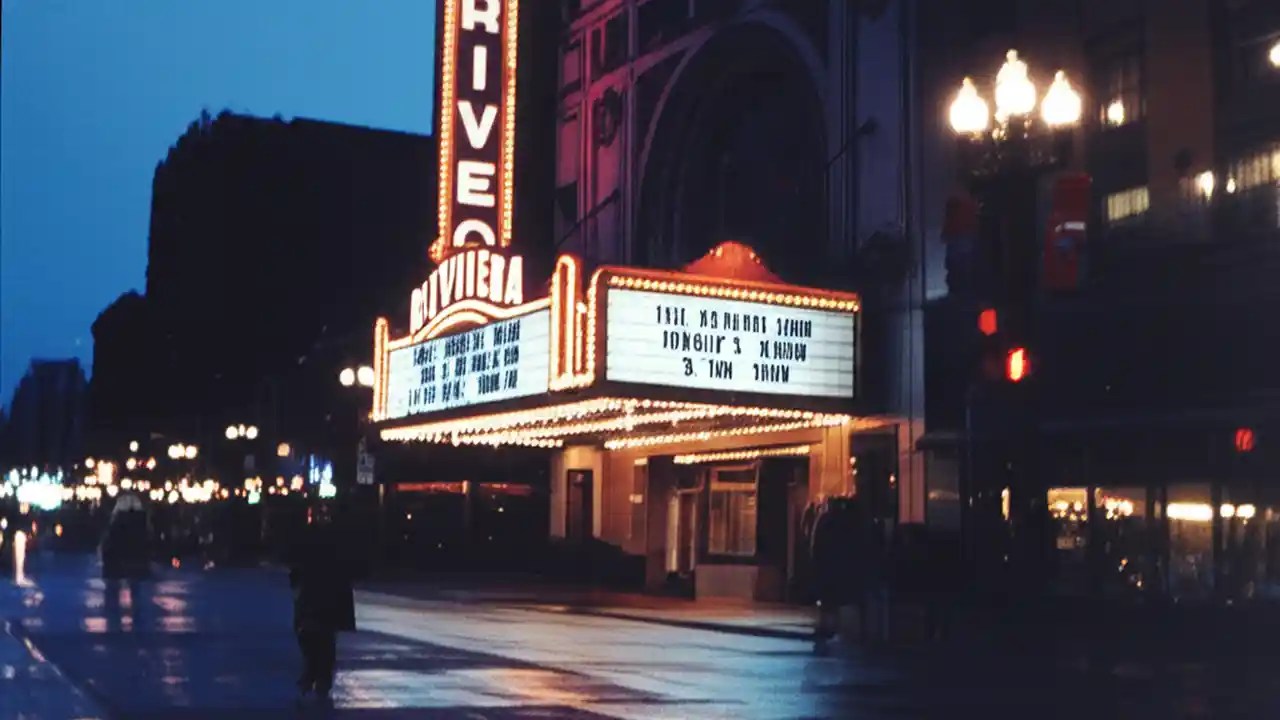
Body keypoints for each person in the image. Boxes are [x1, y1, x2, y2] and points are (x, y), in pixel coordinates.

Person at [288, 504, 355, 700]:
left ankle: (313, 674)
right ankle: (318, 677)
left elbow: (297, 564)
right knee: (323, 637)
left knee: (312, 634)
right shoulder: (336, 538)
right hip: (327, 592)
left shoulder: (309, 537)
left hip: (316, 591)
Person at [810, 496, 859, 647]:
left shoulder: (825, 520)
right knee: (833, 600)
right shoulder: (846, 522)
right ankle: (832, 627)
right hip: (836, 567)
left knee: (826, 601)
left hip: (826, 566)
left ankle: (825, 626)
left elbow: (816, 544)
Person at [100, 493, 152, 628]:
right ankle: (139, 622)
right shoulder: (142, 521)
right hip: (136, 559)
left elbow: (109, 541)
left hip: (117, 560)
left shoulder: (117, 521)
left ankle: (114, 623)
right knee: (136, 591)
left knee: (113, 591)